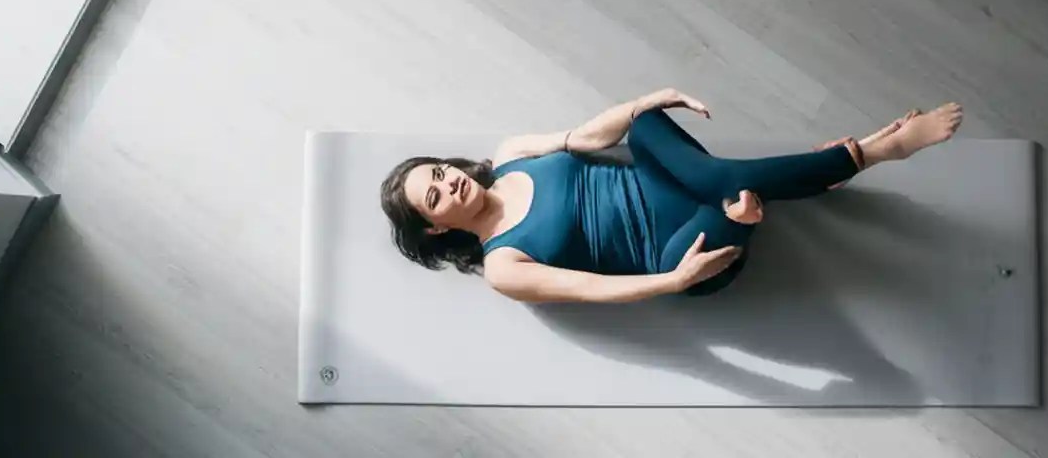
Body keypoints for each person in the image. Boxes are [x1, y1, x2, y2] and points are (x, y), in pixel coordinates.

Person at [379, 88, 964, 303]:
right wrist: (673, 282)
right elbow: (590, 288)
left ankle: (828, 171)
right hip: (675, 251)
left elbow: (587, 135)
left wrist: (646, 100)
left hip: (677, 180)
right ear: (436, 227)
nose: (448, 181)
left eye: (437, 171)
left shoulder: (510, 153)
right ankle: (867, 153)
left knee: (650, 129)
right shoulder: (503, 267)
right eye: (434, 196)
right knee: (732, 194)